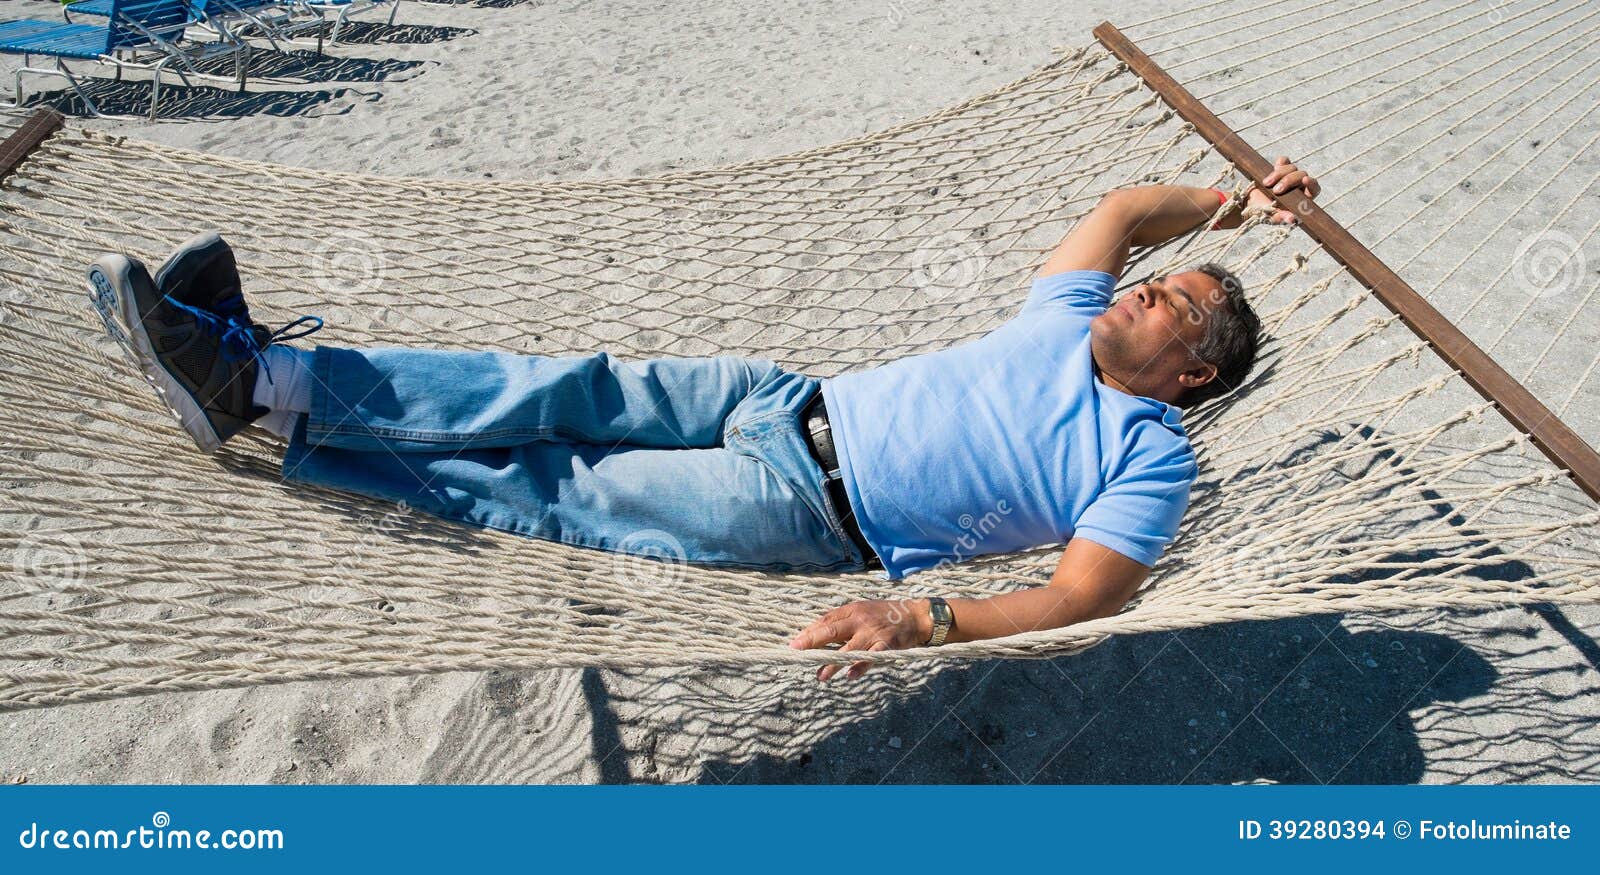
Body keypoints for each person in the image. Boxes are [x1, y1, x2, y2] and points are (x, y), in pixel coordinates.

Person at [87, 157, 1318, 681]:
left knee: (555, 483)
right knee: (547, 382)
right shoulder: (1066, 318)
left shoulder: (1149, 451)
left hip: (807, 508)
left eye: (1176, 302)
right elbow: (1120, 208)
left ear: (1191, 374)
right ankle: (264, 377)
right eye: (1158, 279)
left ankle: (254, 396)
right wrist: (1236, 208)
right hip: (782, 395)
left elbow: (1082, 595)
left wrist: (920, 614)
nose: (1149, 286)